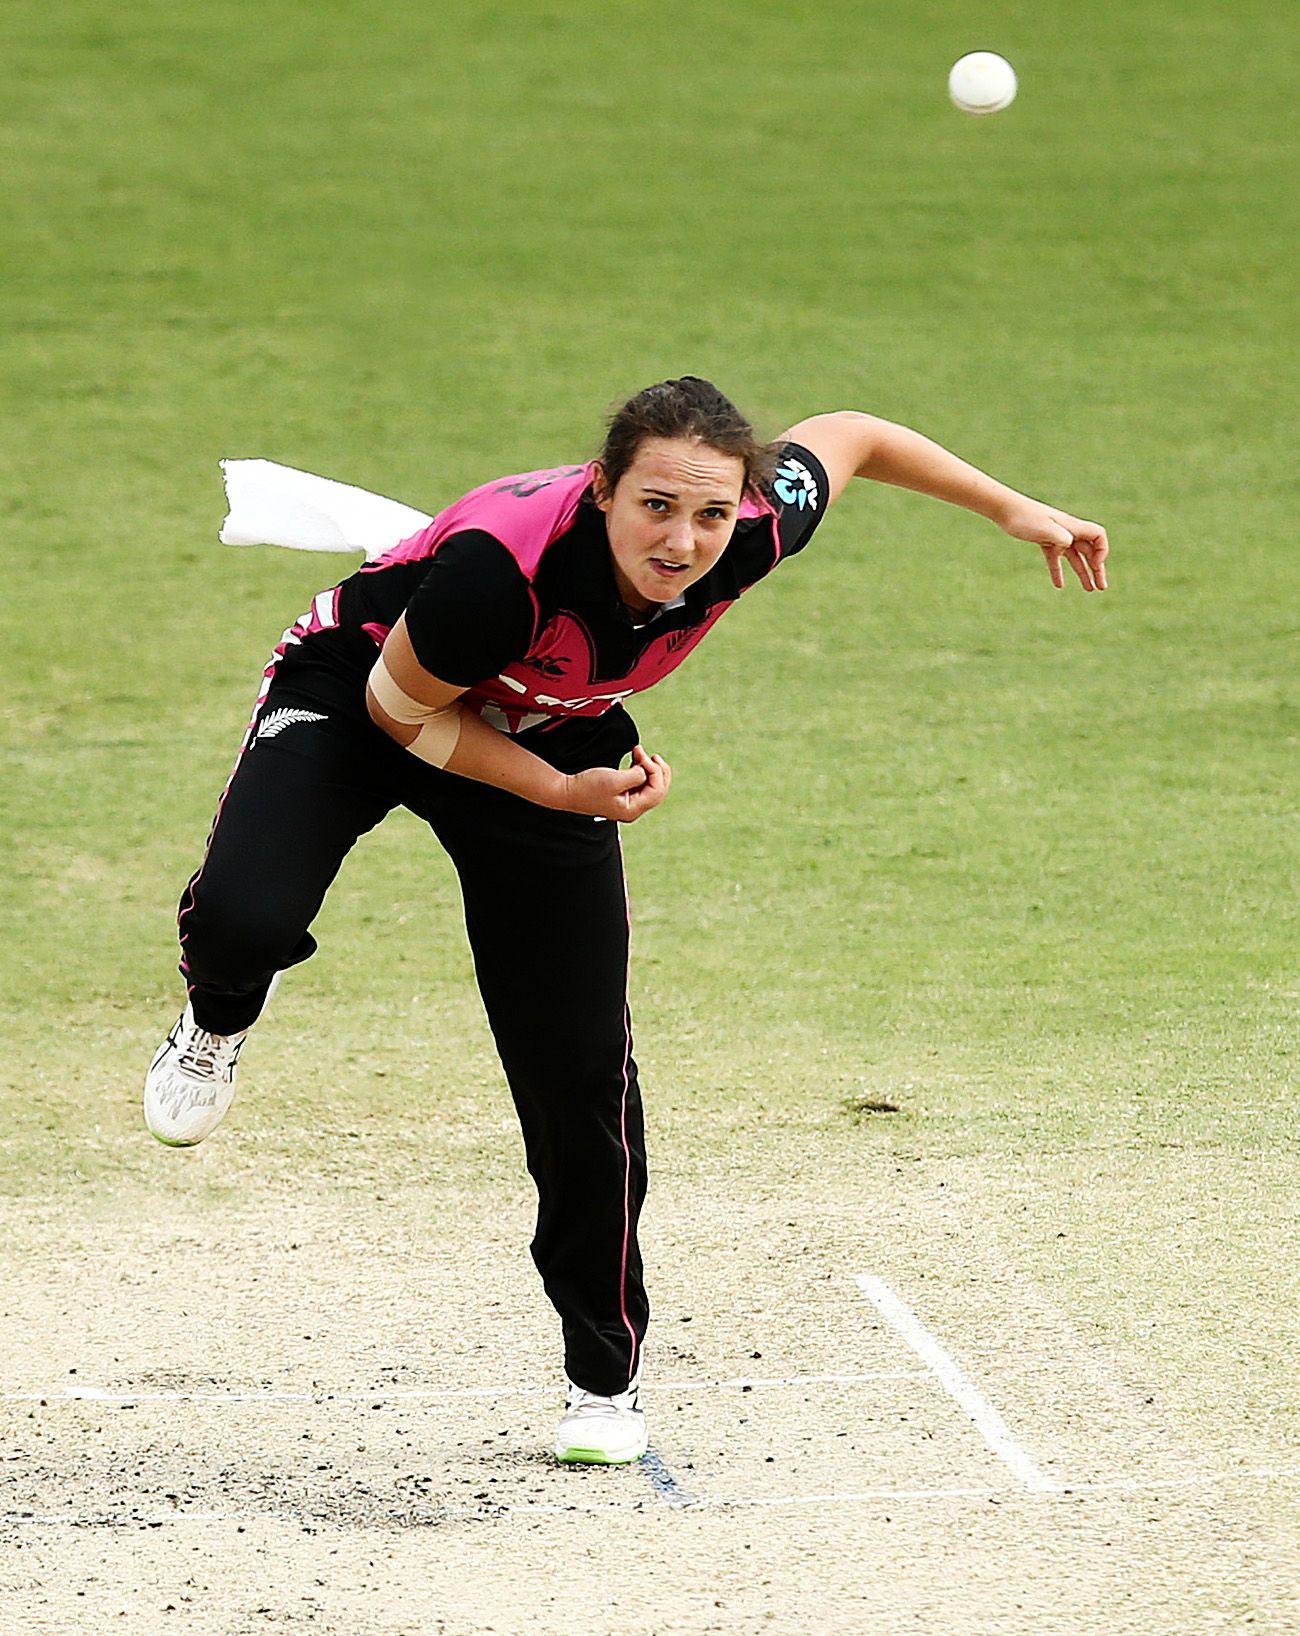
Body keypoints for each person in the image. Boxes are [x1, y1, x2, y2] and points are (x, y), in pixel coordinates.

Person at [144, 376, 1108, 1465]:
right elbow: (399, 712)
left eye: (707, 512)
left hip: (555, 728)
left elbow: (856, 434)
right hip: (373, 689)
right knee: (242, 917)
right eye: (654, 505)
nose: (682, 539)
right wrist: (557, 794)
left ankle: (603, 1372)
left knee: (577, 1068)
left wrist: (1011, 507)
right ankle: (217, 1017)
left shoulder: (748, 531)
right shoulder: (493, 578)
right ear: (602, 491)